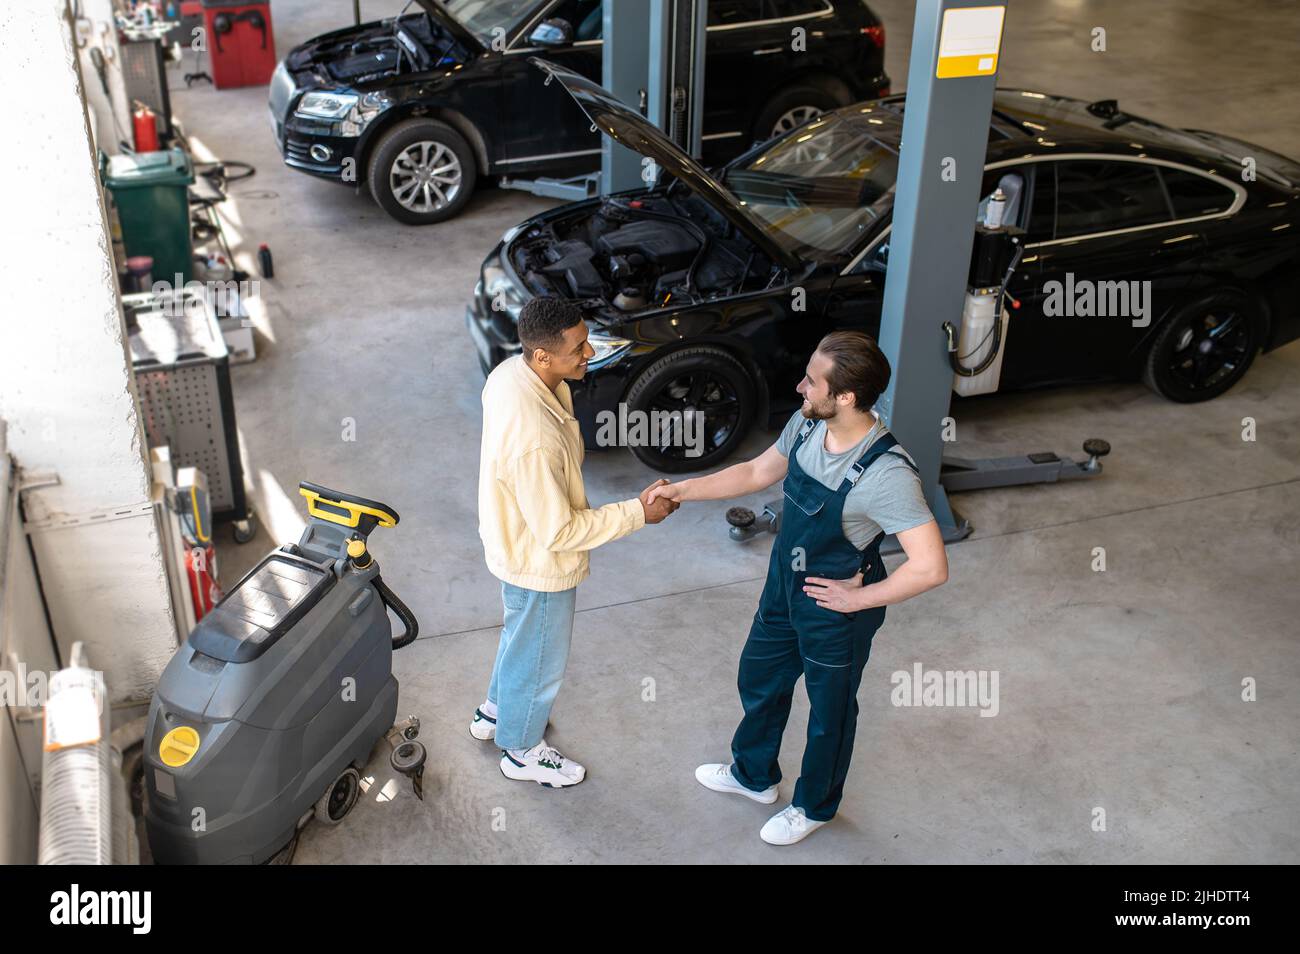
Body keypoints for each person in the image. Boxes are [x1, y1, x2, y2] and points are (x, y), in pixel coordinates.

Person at [648, 331, 948, 844]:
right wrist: (678, 490)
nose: (800, 386)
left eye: (812, 380)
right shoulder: (810, 423)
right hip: (785, 586)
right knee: (760, 676)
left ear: (846, 397)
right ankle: (753, 775)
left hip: (835, 611)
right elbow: (757, 471)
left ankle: (814, 807)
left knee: (829, 713)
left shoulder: (887, 474)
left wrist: (858, 598)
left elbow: (931, 566)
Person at [473, 297, 677, 787]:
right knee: (540, 654)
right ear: (543, 356)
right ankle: (521, 749)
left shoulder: (510, 373)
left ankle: (496, 711)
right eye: (578, 348)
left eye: (585, 340)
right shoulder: (534, 438)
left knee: (520, 633)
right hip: (538, 558)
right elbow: (559, 531)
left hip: (510, 539)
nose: (589, 352)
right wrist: (637, 513)